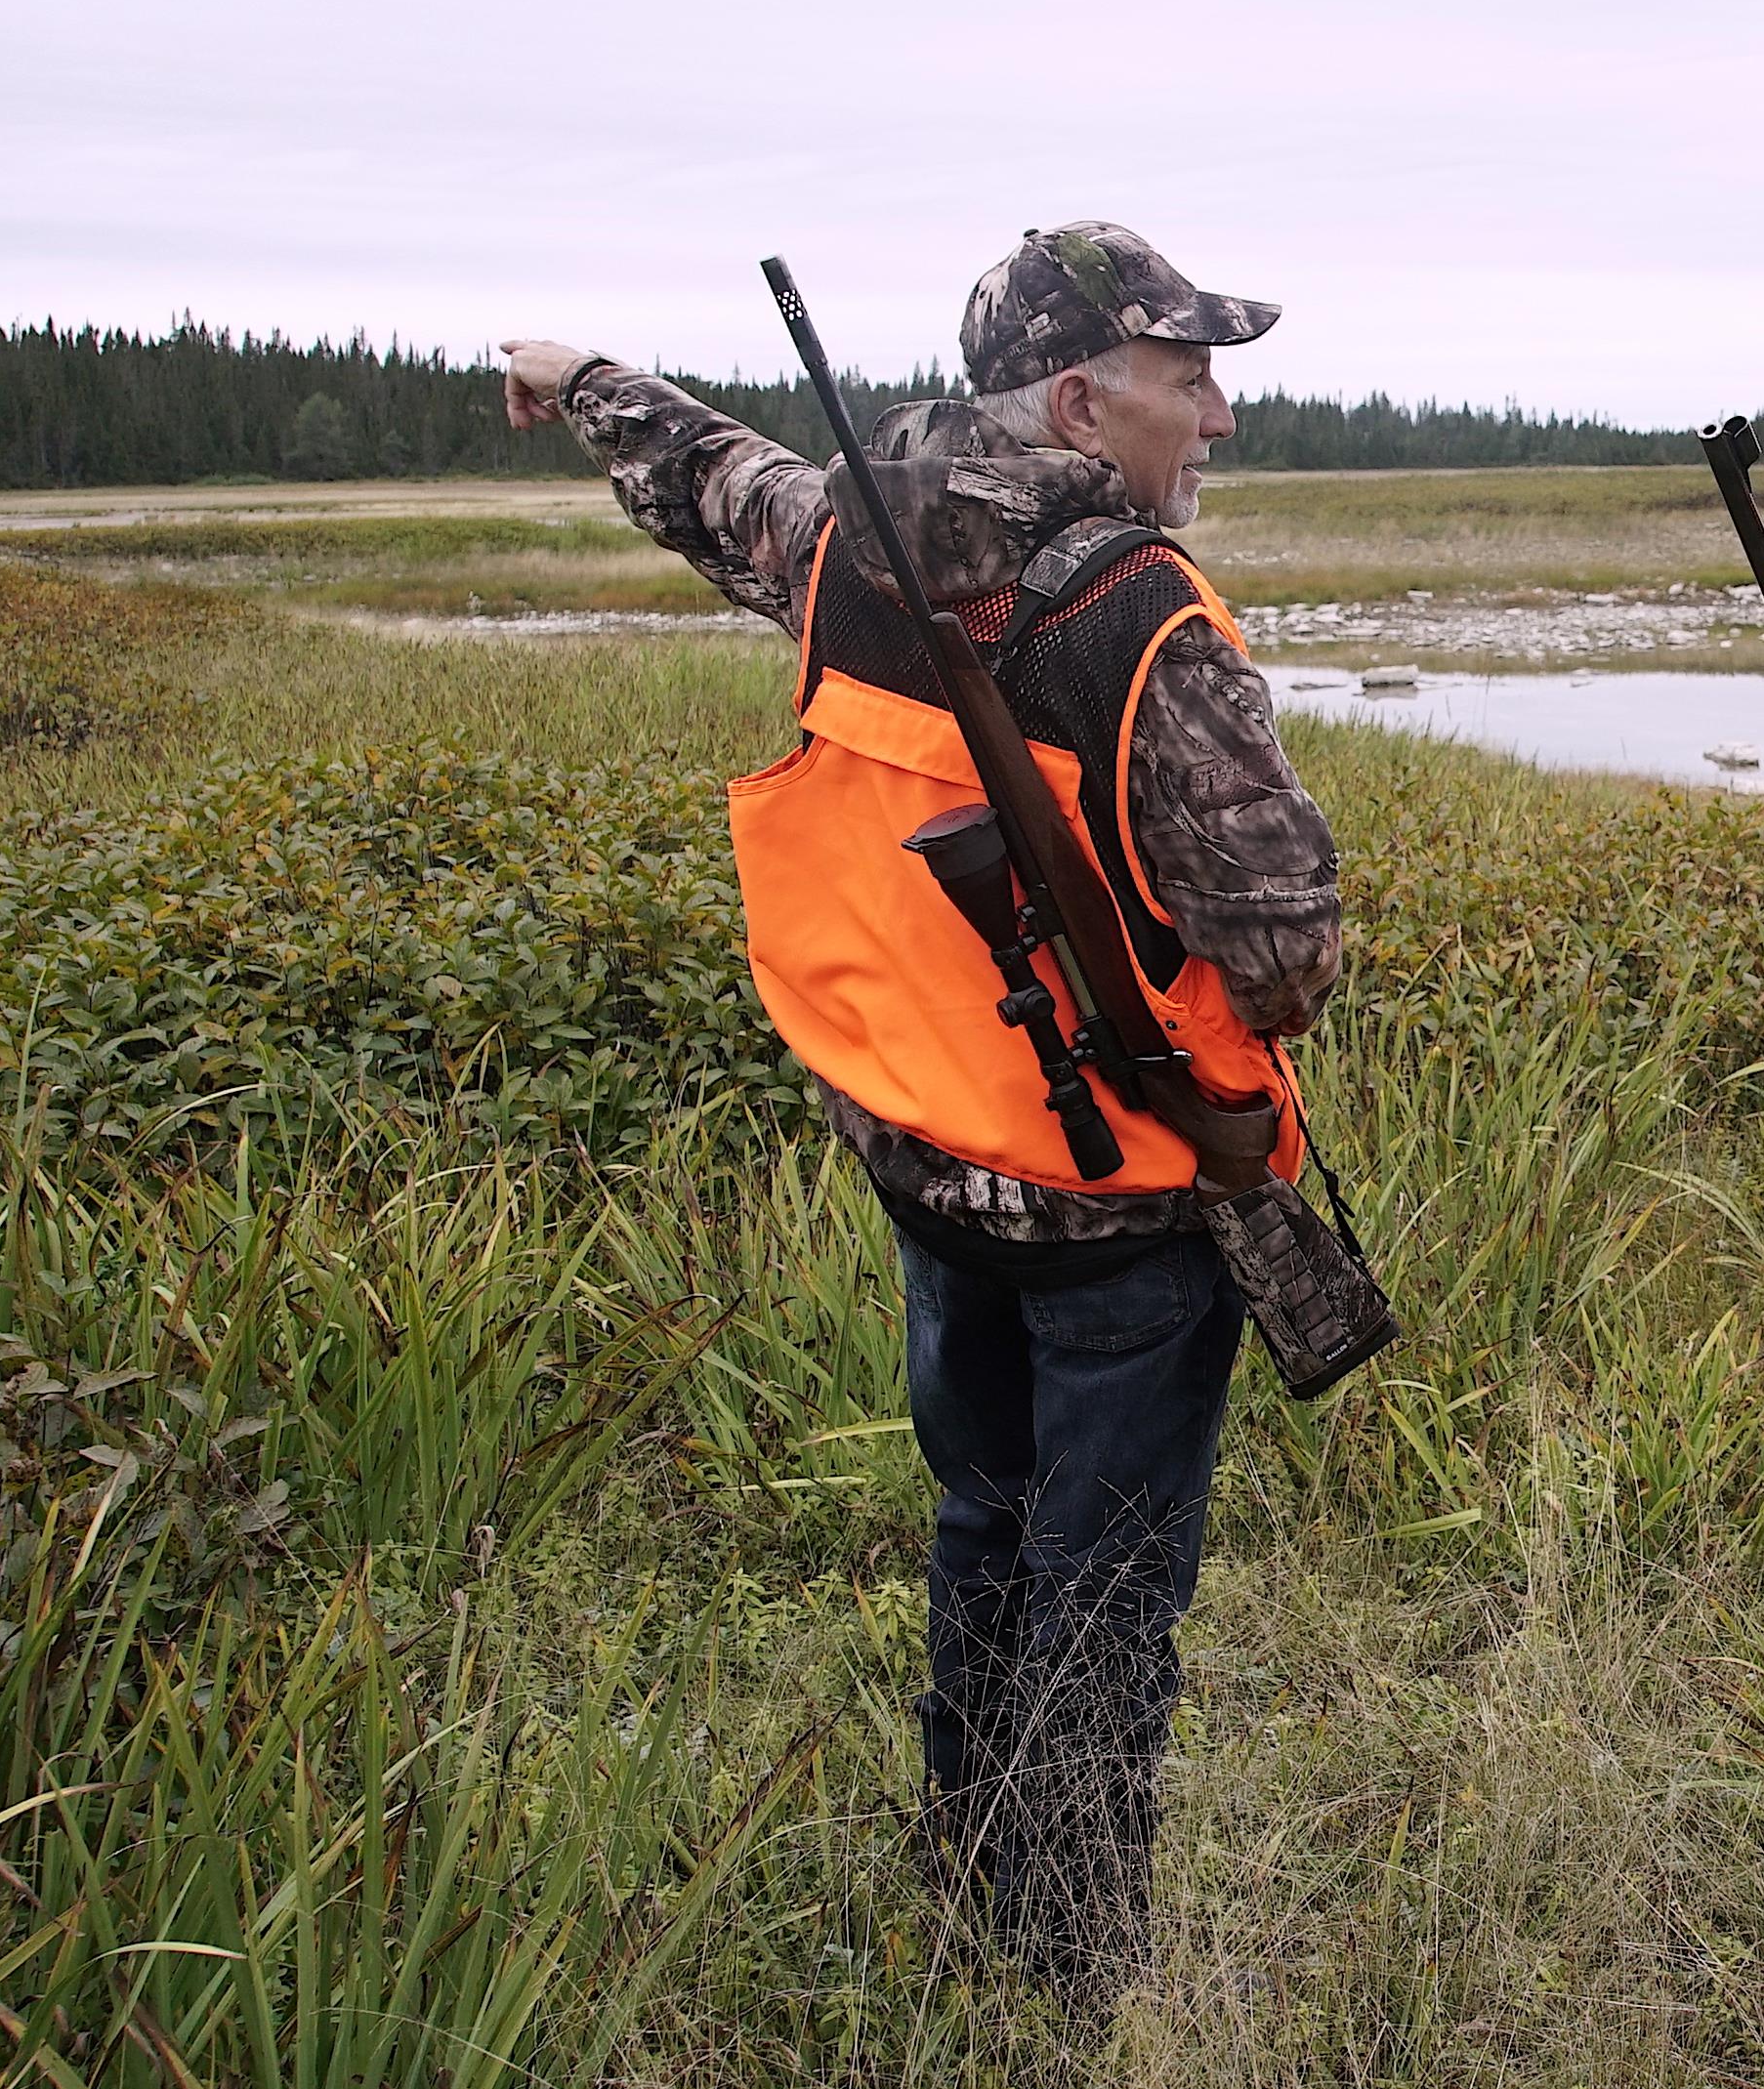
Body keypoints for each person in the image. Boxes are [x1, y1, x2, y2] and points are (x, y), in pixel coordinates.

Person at [500, 221, 1338, 1995]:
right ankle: (1067, 1972)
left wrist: (578, 380)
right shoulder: (1146, 615)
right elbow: (1280, 949)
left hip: (923, 1162)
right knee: (1104, 1601)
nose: (1220, 418)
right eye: (1189, 378)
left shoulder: (843, 538)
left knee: (984, 1533)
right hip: (1117, 1196)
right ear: (1074, 400)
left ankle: (970, 1892)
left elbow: (706, 474)